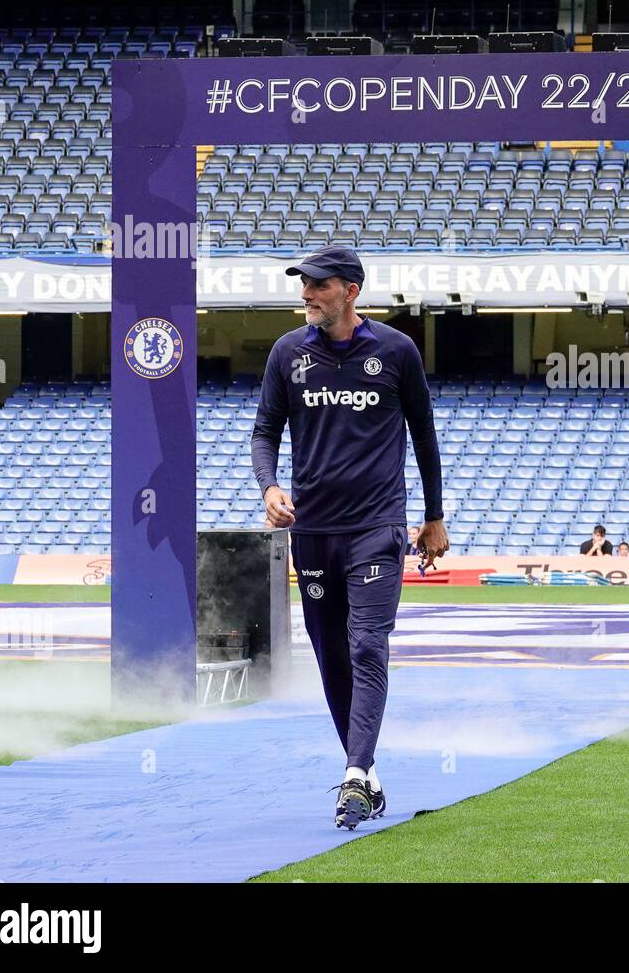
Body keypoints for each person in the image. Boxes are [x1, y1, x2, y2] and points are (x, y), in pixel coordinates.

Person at [252, 244, 447, 830]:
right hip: (311, 531)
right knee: (332, 656)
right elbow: (265, 431)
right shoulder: (288, 353)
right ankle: (366, 771)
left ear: (350, 290)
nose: (306, 294)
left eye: (317, 284)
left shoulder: (395, 350)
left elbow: (424, 435)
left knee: (366, 644)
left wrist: (433, 515)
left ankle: (354, 777)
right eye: (304, 284)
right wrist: (269, 487)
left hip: (376, 527)